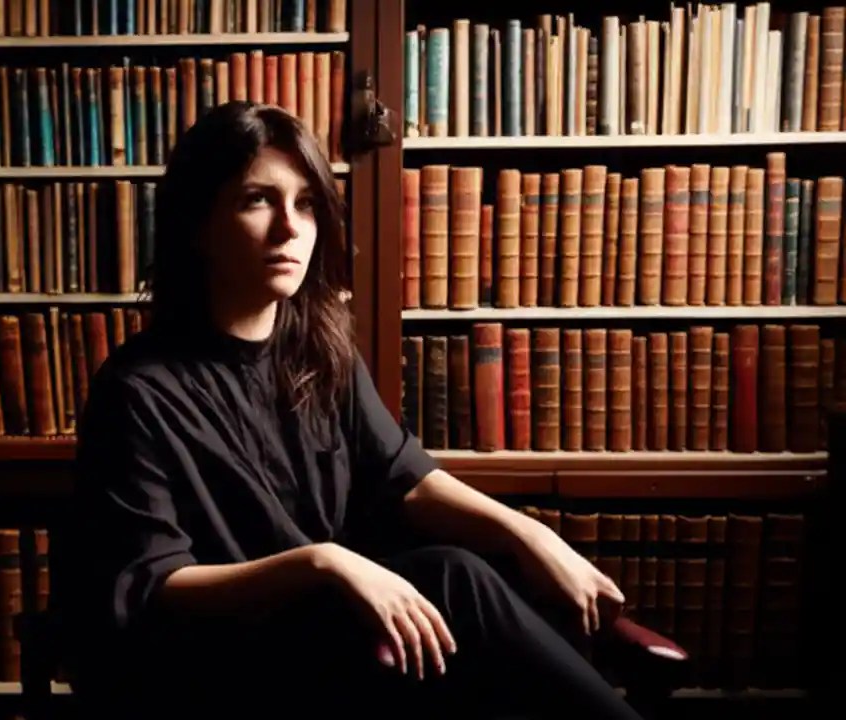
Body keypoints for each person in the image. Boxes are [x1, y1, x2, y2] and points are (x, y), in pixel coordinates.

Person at [51, 100, 641, 720]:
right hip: (221, 667)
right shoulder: (138, 390)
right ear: (199, 223)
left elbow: (403, 476)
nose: (290, 229)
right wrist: (323, 563)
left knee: (490, 567)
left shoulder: (318, 349)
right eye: (258, 199)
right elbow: (153, 586)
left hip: (325, 644)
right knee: (450, 579)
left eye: (305, 203)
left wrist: (532, 535)